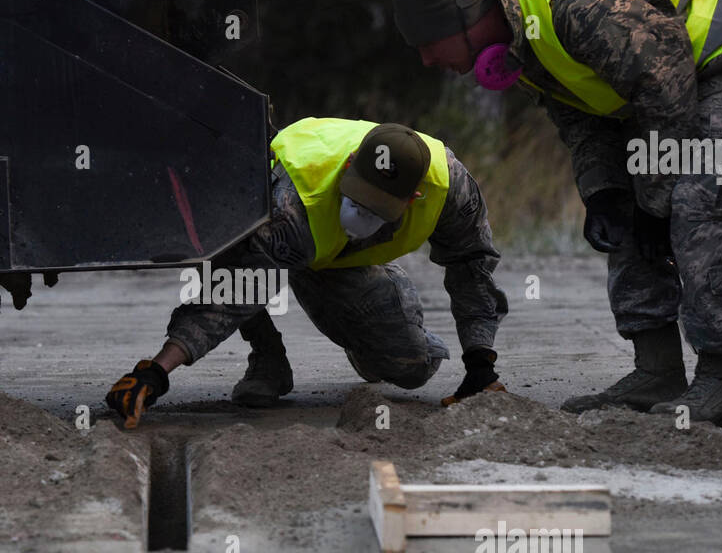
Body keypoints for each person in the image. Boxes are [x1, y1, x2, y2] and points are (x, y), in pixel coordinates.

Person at [394, 0, 722, 427]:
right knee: (628, 212)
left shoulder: (577, 6)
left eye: (428, 45)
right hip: (666, 78)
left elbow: (665, 91)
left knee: (701, 202)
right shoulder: (521, 42)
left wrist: (655, 201)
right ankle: (657, 368)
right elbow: (583, 116)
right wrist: (605, 194)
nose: (427, 61)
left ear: (464, 22)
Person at [104, 117, 508, 428]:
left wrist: (480, 364)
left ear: (414, 197)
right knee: (238, 252)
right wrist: (157, 371)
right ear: (351, 164)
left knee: (412, 368)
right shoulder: (293, 207)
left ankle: (379, 310)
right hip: (290, 235)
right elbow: (234, 292)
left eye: (377, 209)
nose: (360, 214)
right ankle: (268, 361)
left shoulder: (450, 187)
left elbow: (473, 266)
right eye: (357, 198)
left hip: (339, 256)